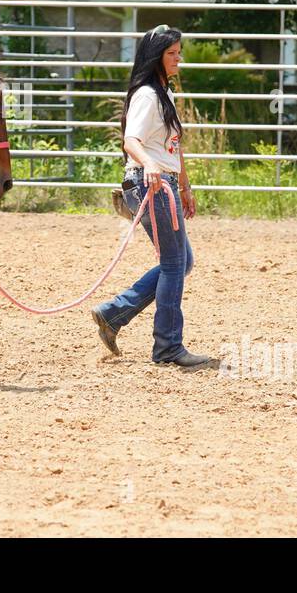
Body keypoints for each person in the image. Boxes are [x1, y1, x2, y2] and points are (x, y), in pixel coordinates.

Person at [90, 25, 209, 367]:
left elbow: (173, 146)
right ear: (157, 56)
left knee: (180, 261)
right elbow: (132, 141)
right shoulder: (146, 95)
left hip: (163, 183)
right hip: (151, 184)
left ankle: (115, 313)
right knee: (175, 263)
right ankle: (167, 345)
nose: (178, 58)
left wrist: (184, 185)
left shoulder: (163, 94)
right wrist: (150, 166)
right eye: (172, 53)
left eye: (178, 52)